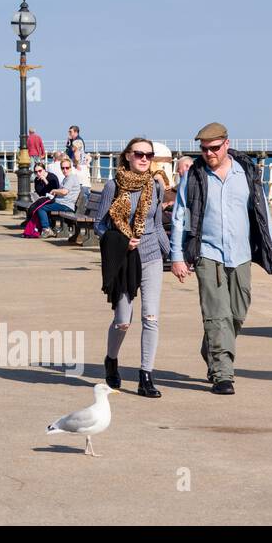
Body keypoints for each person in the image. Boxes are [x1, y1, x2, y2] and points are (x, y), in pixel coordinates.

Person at [170, 122, 272, 396]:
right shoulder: (194, 177)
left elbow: (262, 212)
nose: (209, 153)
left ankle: (211, 348)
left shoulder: (245, 173)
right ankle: (222, 374)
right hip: (208, 254)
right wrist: (177, 256)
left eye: (215, 148)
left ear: (227, 144)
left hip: (241, 254)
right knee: (216, 314)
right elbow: (180, 216)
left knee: (237, 313)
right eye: (204, 149)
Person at [94, 137, 171, 398]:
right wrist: (122, 240)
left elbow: (158, 224)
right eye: (139, 154)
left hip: (151, 257)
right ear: (127, 155)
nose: (144, 159)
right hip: (125, 260)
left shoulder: (155, 187)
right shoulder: (112, 186)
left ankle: (146, 376)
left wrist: (172, 254)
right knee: (122, 321)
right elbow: (100, 225)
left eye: (149, 155)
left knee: (151, 318)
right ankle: (111, 360)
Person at [34, 156, 81, 236]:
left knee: (41, 208)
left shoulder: (71, 178)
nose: (65, 170)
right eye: (63, 168)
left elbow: (64, 192)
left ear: (71, 168)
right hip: (61, 203)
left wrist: (54, 190)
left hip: (66, 205)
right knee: (41, 205)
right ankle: (47, 228)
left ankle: (46, 229)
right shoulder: (66, 178)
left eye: (67, 168)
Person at [20, 161, 60, 230]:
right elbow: (39, 191)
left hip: (52, 199)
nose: (38, 173)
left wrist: (45, 181)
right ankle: (33, 224)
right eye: (36, 172)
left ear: (44, 170)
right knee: (33, 206)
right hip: (42, 198)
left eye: (40, 171)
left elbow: (54, 190)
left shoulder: (52, 177)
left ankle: (32, 223)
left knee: (35, 207)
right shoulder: (37, 180)